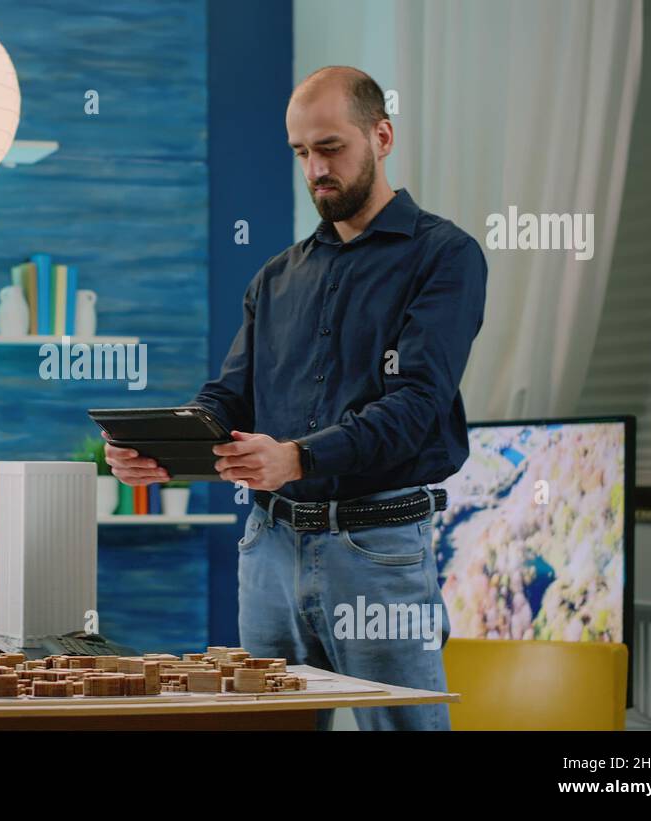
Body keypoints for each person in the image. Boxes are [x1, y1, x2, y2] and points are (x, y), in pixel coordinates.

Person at [104, 66, 487, 730]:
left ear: (382, 137)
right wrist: (164, 449)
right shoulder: (276, 277)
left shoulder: (444, 256)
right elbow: (230, 395)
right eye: (302, 152)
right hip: (269, 548)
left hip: (379, 549)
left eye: (331, 148)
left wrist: (298, 458)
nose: (315, 170)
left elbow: (416, 406)